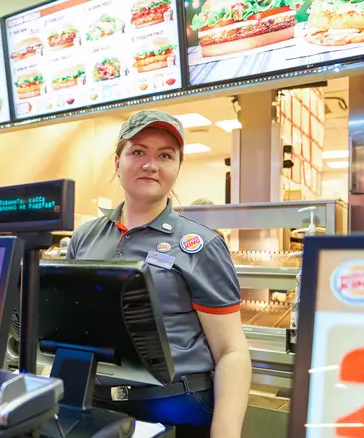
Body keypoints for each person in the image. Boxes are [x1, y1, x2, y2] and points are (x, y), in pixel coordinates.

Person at [67, 110, 250, 438]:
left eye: (165, 155)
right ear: (117, 162)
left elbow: (231, 351)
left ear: (177, 167)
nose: (151, 164)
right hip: (97, 405)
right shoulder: (85, 237)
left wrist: (226, 432)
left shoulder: (201, 245)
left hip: (176, 406)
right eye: (138, 152)